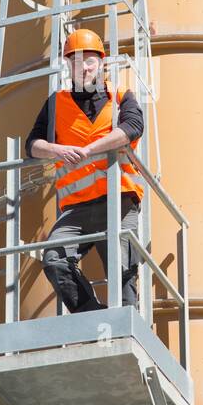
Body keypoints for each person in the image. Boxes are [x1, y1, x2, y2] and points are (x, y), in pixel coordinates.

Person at [25, 29, 146, 313]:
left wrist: (90, 150)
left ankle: (126, 325)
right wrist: (58, 151)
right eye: (77, 62)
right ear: (69, 66)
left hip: (120, 201)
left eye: (90, 61)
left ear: (101, 64)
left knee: (124, 269)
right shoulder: (56, 103)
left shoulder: (120, 97)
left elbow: (132, 128)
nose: (85, 67)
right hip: (77, 209)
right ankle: (92, 317)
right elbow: (32, 144)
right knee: (54, 259)